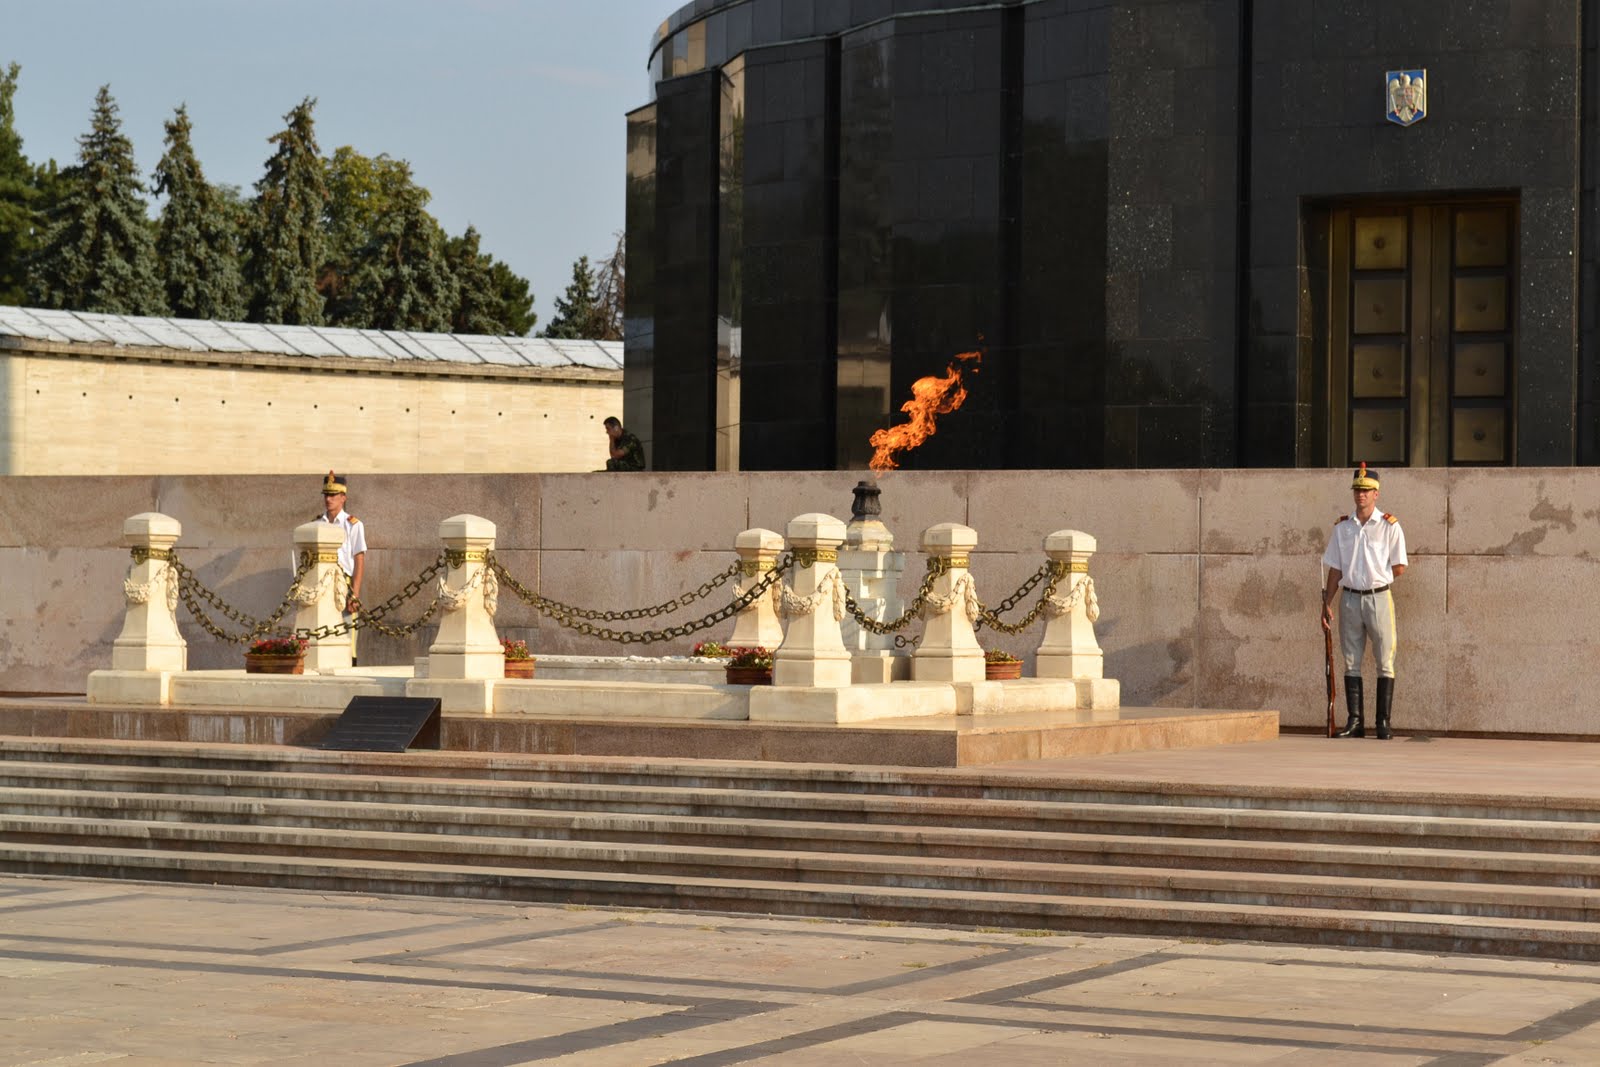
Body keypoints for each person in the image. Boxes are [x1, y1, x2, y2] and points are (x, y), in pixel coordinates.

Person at [1320, 463, 1407, 739]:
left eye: (1367, 490)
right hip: (1349, 599)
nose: (1361, 495)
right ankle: (1356, 721)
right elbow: (1335, 568)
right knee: (1350, 660)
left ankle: (1383, 722)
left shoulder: (1389, 526)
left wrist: (1376, 577)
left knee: (1385, 660)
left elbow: (1399, 566)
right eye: (1358, 490)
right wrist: (1326, 603)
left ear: (1376, 494)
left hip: (1378, 597)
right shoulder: (1342, 528)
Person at [316, 471, 367, 665]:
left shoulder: (353, 525)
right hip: (322, 584)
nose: (328, 499)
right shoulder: (317, 524)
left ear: (343, 497)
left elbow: (359, 559)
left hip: (344, 583)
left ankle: (350, 668)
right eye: (326, 495)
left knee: (347, 633)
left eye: (333, 495)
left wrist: (355, 592)